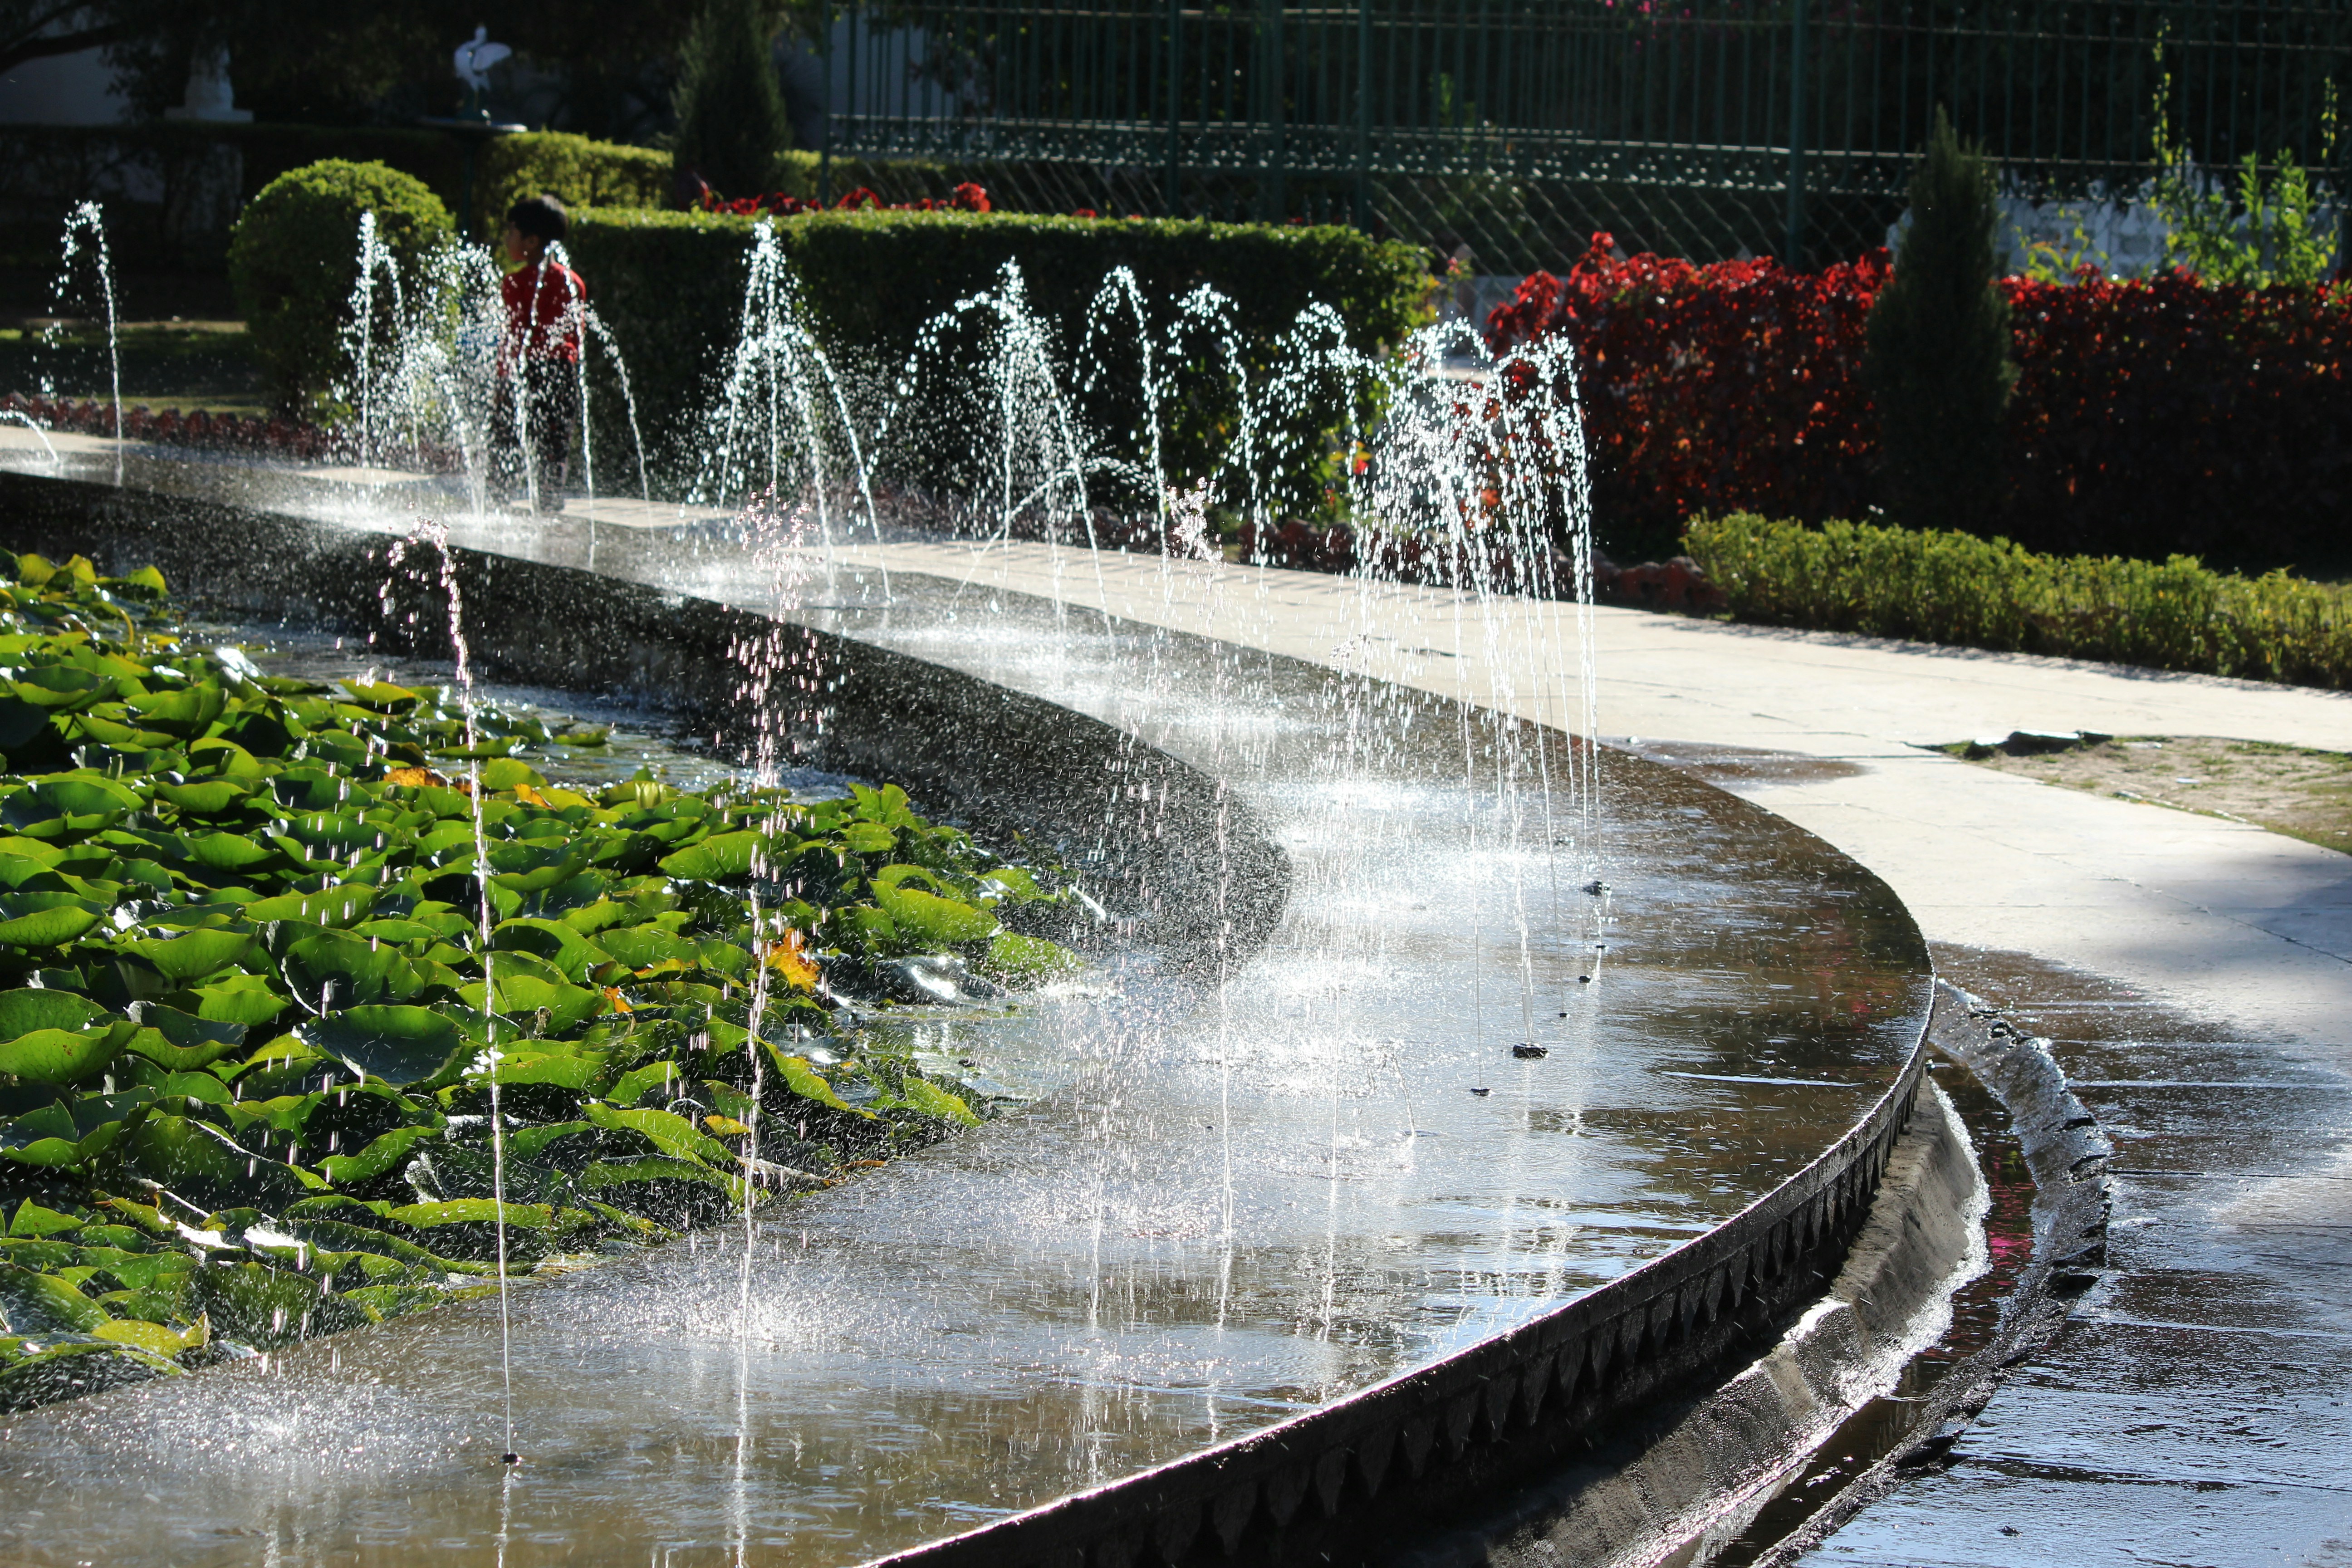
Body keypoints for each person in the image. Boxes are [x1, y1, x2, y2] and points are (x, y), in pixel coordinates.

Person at [492, 194, 585, 507]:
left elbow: (513, 338)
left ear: (531, 241)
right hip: (561, 373)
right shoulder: (573, 282)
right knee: (553, 448)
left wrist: (502, 381)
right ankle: (549, 507)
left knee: (506, 443)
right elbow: (576, 336)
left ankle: (498, 503)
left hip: (525, 372)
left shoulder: (515, 283)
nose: (506, 239)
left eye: (511, 233)